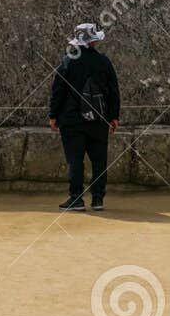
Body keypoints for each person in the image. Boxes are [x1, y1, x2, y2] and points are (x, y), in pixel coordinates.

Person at [49, 23, 121, 212]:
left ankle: (76, 199)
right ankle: (98, 199)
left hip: (72, 119)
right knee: (99, 160)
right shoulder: (104, 62)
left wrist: (53, 115)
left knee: (75, 160)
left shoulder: (68, 61)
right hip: (98, 118)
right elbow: (113, 90)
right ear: (94, 41)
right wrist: (113, 116)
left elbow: (58, 91)